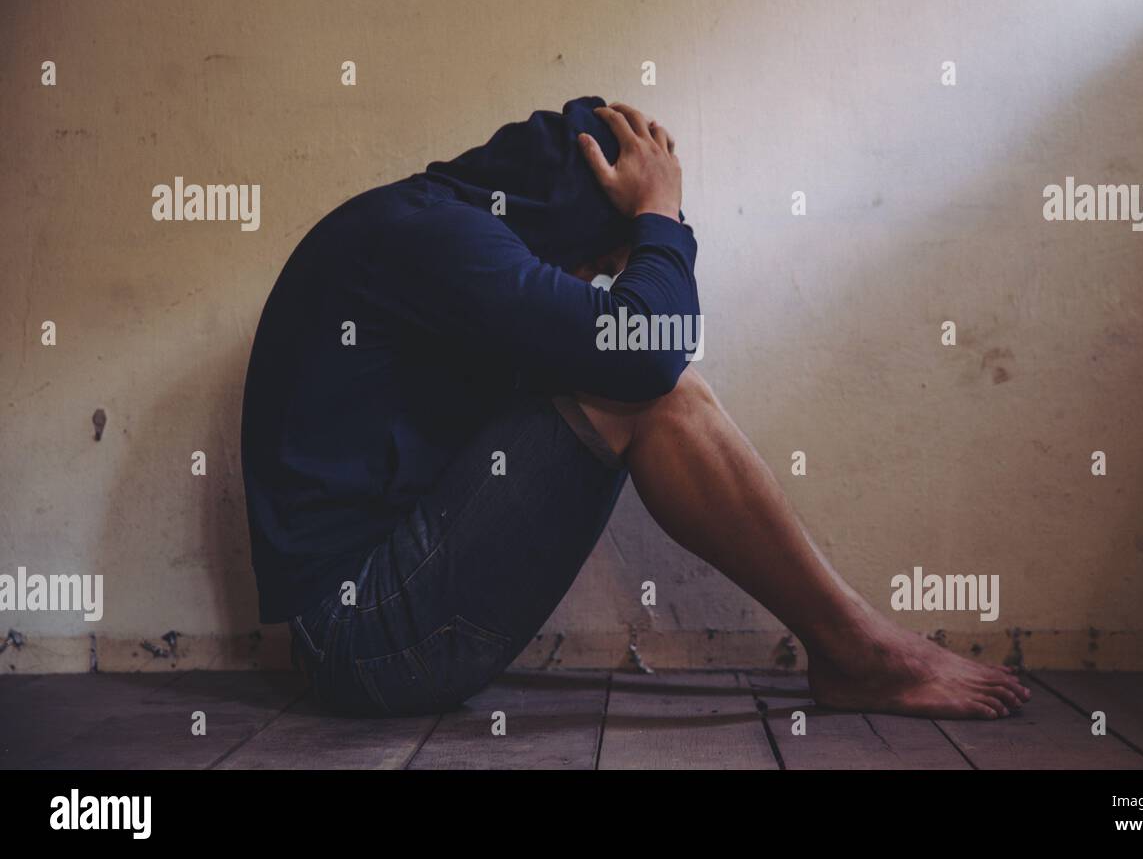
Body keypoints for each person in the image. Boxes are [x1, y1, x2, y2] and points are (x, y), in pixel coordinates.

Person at [240, 96, 1030, 720]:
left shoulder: (430, 230)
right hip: (361, 642)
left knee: (633, 379)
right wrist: (660, 217)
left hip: (369, 627)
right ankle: (861, 653)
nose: (587, 280)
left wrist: (642, 233)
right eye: (594, 262)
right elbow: (653, 352)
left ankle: (860, 647)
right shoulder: (445, 242)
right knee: (655, 396)